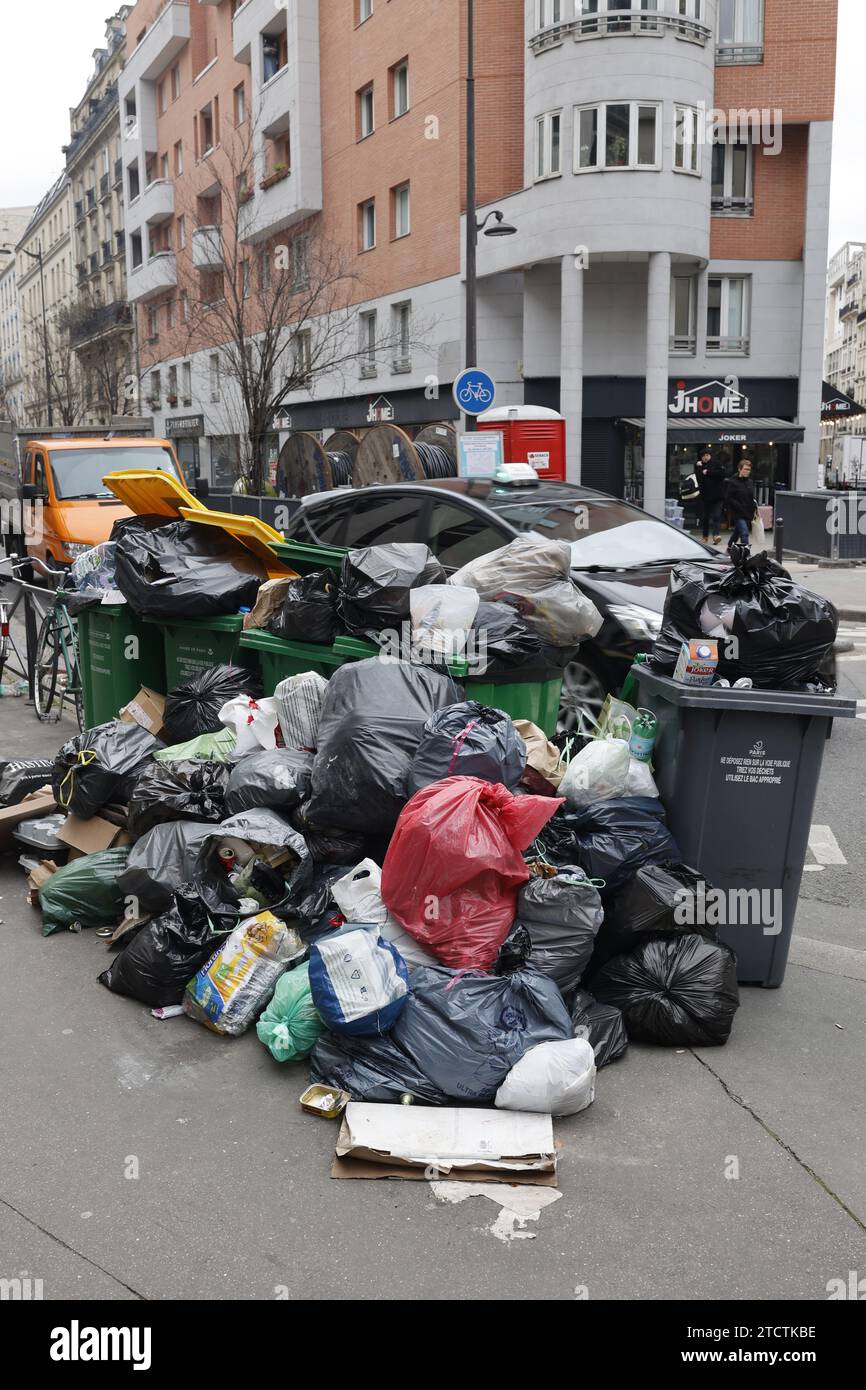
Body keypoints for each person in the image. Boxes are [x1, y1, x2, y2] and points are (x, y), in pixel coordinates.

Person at [696, 449, 726, 544]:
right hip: (706, 496)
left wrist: (708, 472)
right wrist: (698, 468)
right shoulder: (700, 466)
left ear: (710, 455)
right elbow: (698, 478)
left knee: (716, 516)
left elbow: (722, 474)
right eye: (703, 456)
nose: (705, 457)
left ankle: (716, 535)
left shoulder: (716, 463)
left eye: (707, 455)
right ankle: (705, 537)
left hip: (717, 496)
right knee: (705, 517)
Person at [725, 458, 756, 548]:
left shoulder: (750, 482)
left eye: (749, 470)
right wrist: (738, 506)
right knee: (744, 533)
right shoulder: (733, 482)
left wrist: (754, 506)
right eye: (745, 469)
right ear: (739, 469)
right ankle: (746, 553)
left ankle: (730, 547)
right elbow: (728, 497)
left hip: (748, 512)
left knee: (737, 533)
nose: (747, 471)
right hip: (737, 513)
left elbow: (751, 497)